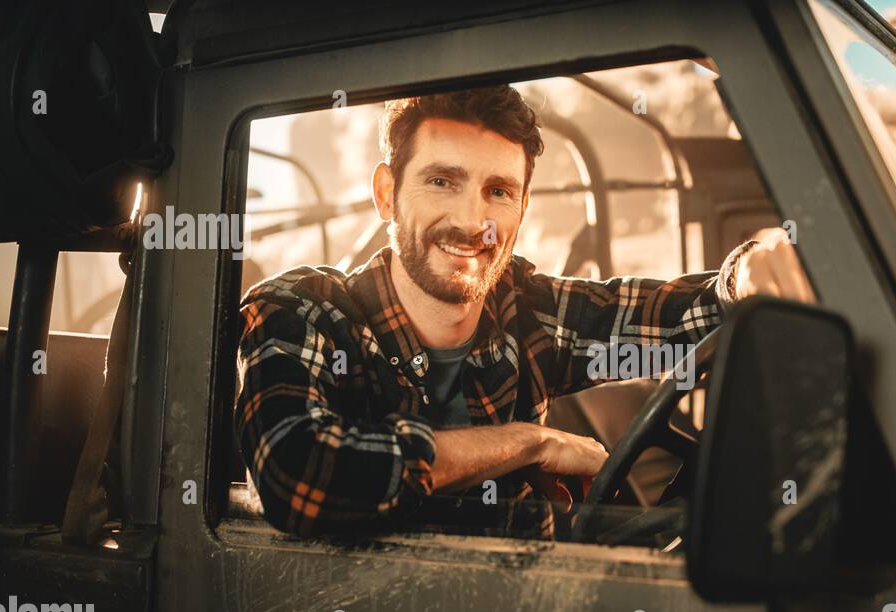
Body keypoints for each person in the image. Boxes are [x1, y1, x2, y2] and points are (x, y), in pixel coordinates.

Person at [234, 85, 810, 537]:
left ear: (522, 206)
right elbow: (301, 474)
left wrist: (750, 270)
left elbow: (688, 315)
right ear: (387, 193)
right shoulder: (302, 309)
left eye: (498, 192)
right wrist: (527, 444)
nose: (471, 221)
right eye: (442, 181)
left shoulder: (525, 309)